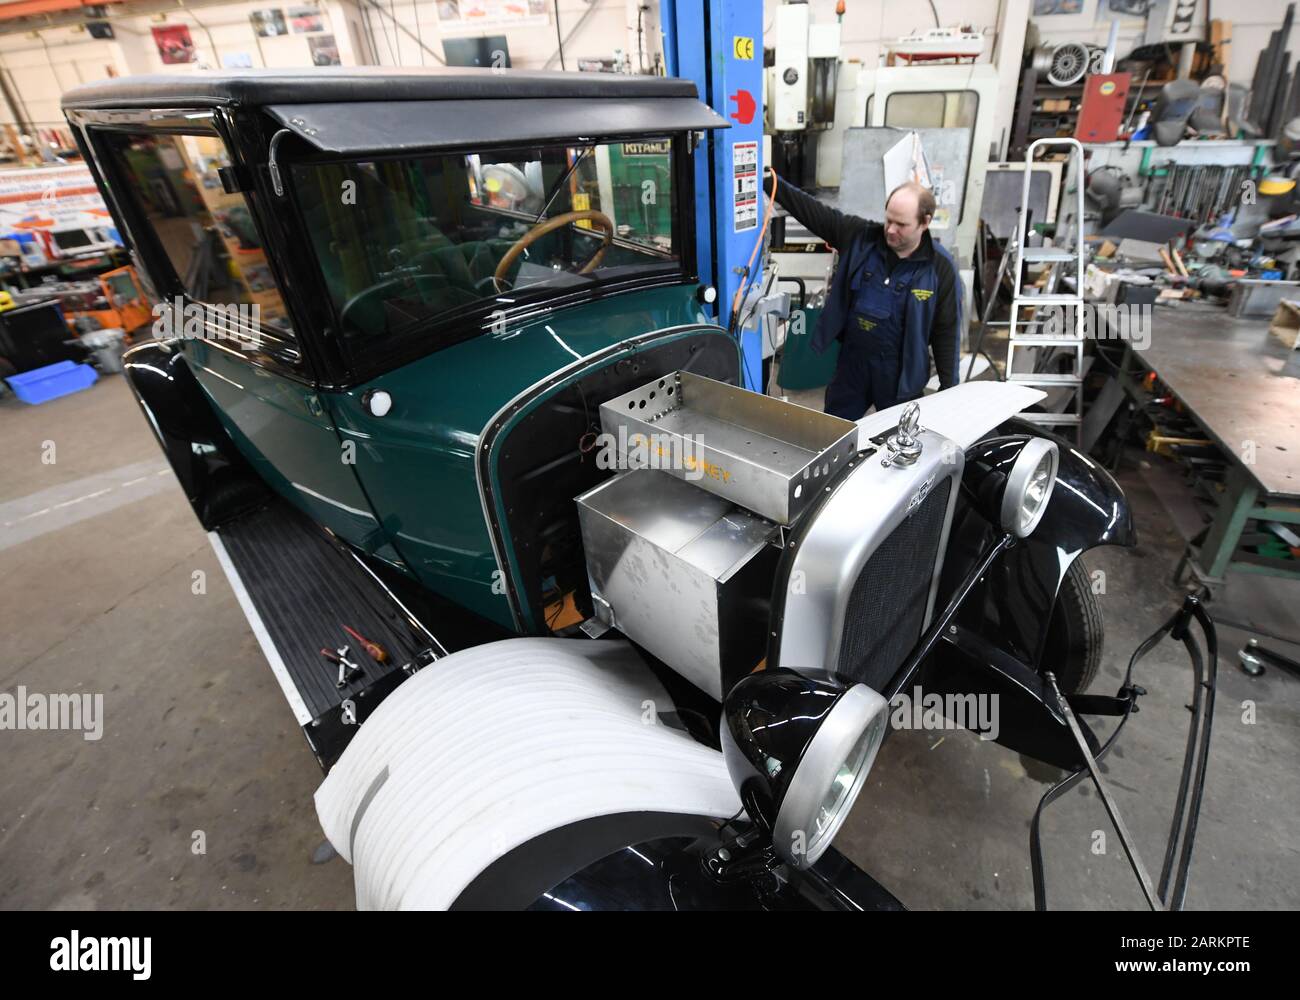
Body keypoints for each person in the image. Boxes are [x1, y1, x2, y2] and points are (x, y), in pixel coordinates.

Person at [764, 169, 960, 419]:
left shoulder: (939, 267)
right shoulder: (861, 238)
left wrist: (950, 391)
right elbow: (816, 213)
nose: (890, 230)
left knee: (896, 442)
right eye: (889, 220)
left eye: (901, 225)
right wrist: (773, 183)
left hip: (901, 374)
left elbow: (947, 331)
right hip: (853, 365)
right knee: (835, 432)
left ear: (925, 222)